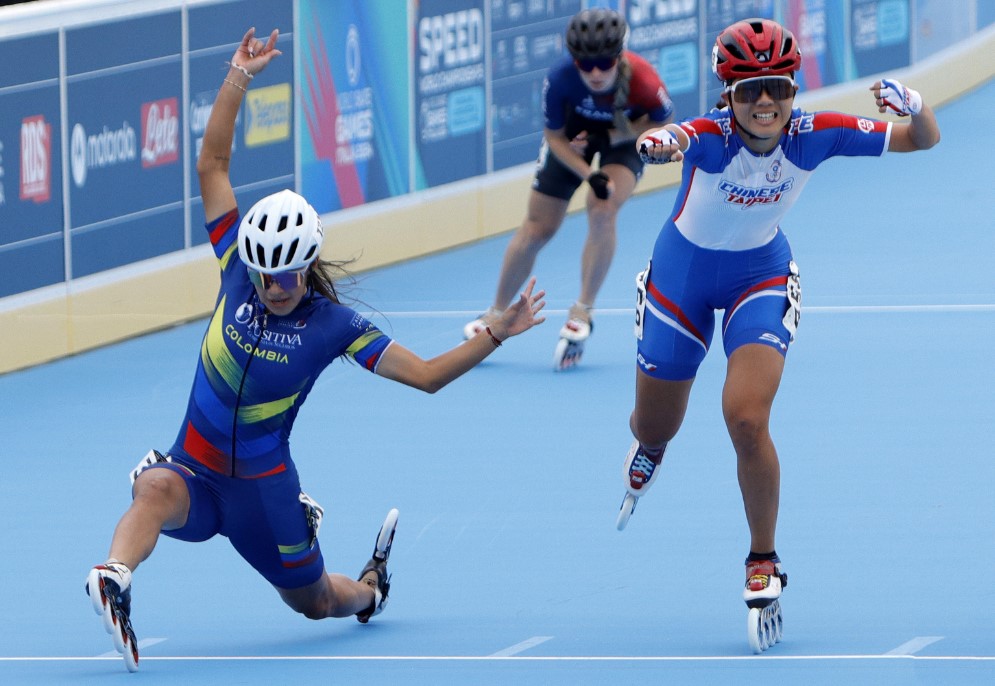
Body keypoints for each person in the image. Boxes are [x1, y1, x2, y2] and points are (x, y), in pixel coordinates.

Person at [84, 27, 547, 672]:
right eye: (265, 274)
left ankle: (372, 589)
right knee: (154, 487)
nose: (274, 287)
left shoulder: (332, 326)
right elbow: (211, 166)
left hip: (263, 493)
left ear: (307, 265)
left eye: (288, 275)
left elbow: (427, 376)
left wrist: (497, 331)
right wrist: (237, 77)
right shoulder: (235, 271)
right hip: (196, 472)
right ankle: (114, 578)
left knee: (314, 600)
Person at [615, 17, 939, 621]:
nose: (766, 103)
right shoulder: (711, 136)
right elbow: (674, 136)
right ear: (728, 96)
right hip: (680, 279)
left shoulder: (817, 133)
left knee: (745, 417)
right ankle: (651, 446)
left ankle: (762, 557)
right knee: (654, 426)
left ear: (794, 87)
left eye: (779, 88)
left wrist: (915, 105)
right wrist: (660, 143)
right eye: (749, 91)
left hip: (758, 276)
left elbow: (922, 139)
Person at [463, 7, 674, 371]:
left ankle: (582, 312)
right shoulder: (559, 79)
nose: (594, 72)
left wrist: (611, 135)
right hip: (572, 142)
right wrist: (584, 171)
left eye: (604, 62)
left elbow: (663, 122)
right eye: (584, 63)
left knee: (603, 208)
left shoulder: (643, 78)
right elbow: (553, 138)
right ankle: (494, 313)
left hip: (624, 140)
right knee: (537, 229)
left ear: (619, 56)